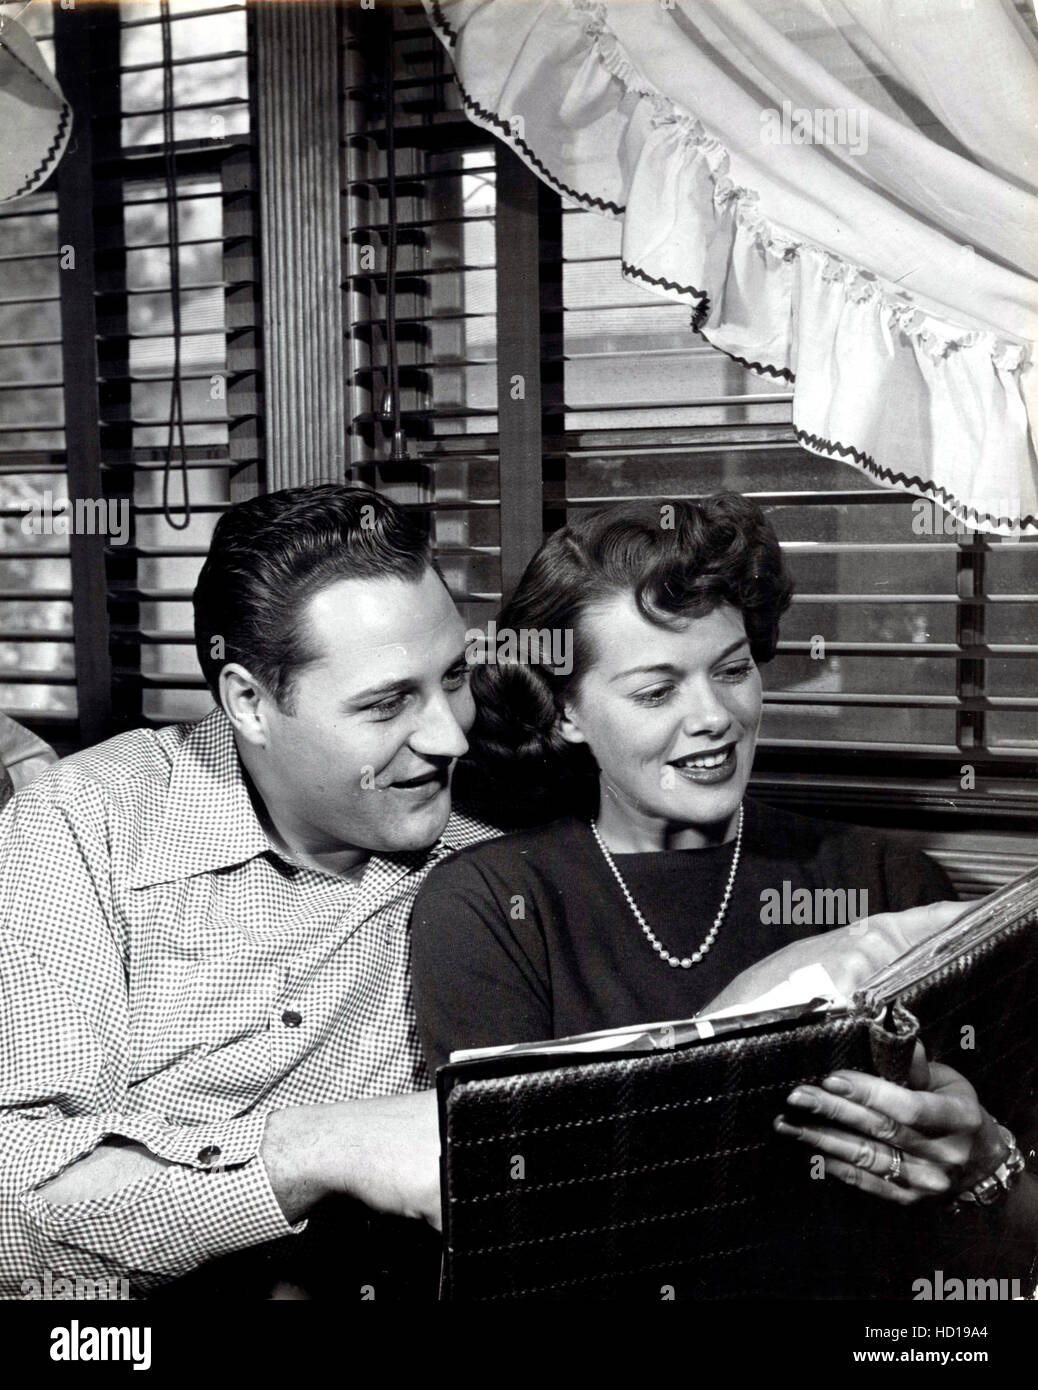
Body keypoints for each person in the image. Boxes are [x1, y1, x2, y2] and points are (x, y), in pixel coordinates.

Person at [411, 494, 1037, 1263]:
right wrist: (763, 1004)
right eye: (656, 691)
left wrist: (985, 1164)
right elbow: (519, 1222)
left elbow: (1015, 1224)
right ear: (567, 712)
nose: (714, 716)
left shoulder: (888, 880)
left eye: (732, 670)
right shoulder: (492, 906)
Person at [0, 484, 498, 1300]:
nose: (450, 737)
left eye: (455, 679)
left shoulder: (491, 885)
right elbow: (12, 1201)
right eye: (387, 704)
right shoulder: (82, 824)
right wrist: (320, 1149)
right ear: (248, 703)